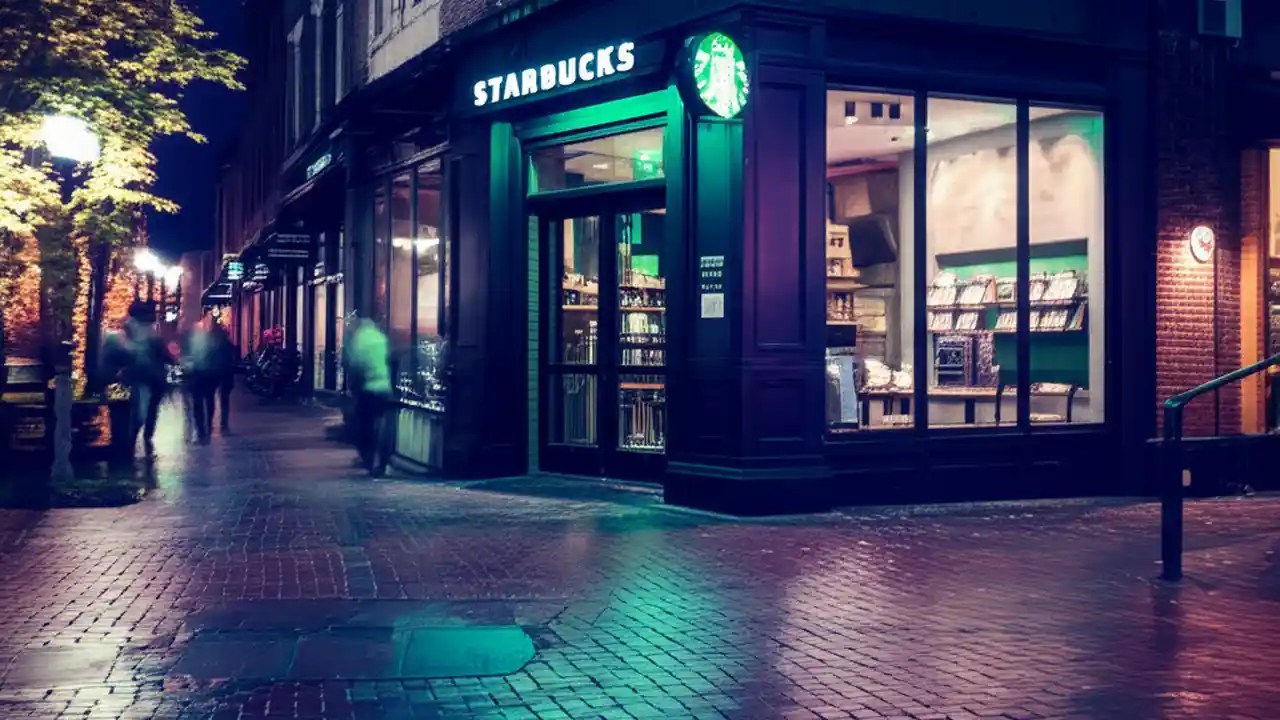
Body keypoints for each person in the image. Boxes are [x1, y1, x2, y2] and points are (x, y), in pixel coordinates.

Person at [343, 316, 393, 477]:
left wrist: (352, 387)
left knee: (365, 425)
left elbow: (355, 364)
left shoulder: (360, 340)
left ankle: (369, 459)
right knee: (383, 424)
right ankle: (383, 461)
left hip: (367, 388)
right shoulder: (380, 338)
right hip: (384, 387)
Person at [122, 302, 172, 458]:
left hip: (139, 378)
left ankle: (133, 440)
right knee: (148, 410)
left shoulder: (128, 331)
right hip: (152, 378)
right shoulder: (150, 334)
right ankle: (144, 439)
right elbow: (164, 355)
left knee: (141, 409)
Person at [181, 322, 217, 444]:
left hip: (197, 375)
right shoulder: (210, 341)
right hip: (209, 375)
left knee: (198, 403)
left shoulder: (191, 341)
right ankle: (207, 424)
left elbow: (187, 357)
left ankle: (201, 428)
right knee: (208, 399)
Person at [208, 321, 238, 433]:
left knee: (210, 398)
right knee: (225, 400)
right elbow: (232, 357)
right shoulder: (227, 344)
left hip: (213, 373)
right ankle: (224, 423)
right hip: (226, 374)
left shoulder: (211, 344)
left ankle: (209, 422)